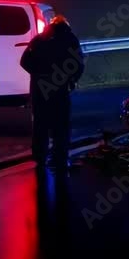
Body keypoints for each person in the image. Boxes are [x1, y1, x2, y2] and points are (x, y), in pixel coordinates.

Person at [22, 15, 84, 170]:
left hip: (39, 88)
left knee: (40, 124)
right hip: (60, 88)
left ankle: (39, 157)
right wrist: (72, 80)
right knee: (61, 125)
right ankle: (60, 157)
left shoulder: (39, 39)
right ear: (66, 25)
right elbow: (78, 64)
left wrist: (37, 74)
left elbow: (24, 61)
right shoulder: (70, 39)